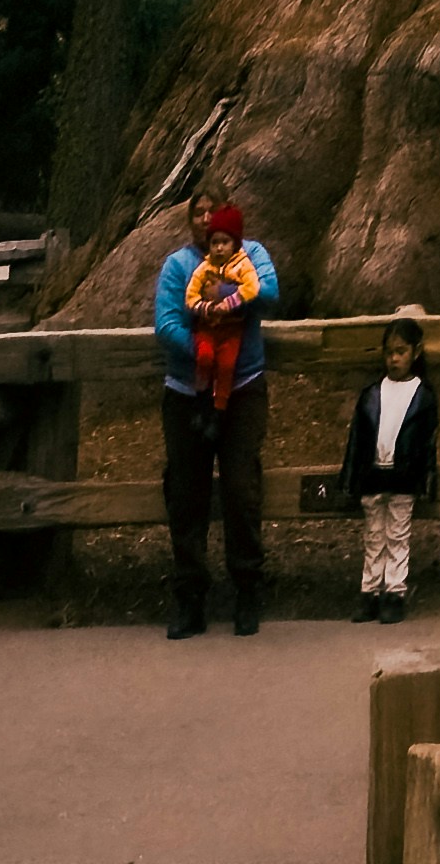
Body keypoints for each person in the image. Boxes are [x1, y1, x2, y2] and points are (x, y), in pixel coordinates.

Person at [152, 195, 278, 638]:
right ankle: (190, 596)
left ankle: (247, 589)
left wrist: (223, 298)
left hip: (243, 387)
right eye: (197, 213)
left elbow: (268, 291)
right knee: (186, 493)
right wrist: (203, 357)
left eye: (213, 212)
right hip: (187, 392)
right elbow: (167, 323)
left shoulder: (252, 254)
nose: (206, 221)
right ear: (189, 221)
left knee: (241, 488)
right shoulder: (177, 266)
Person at [338, 316, 439, 611]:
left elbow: (428, 442)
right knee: (373, 535)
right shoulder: (371, 394)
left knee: (397, 534)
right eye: (389, 352)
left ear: (415, 352)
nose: (394, 359)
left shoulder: (423, 396)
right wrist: (350, 476)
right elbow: (357, 437)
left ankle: (394, 591)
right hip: (373, 474)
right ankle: (369, 591)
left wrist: (428, 477)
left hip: (404, 476)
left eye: (401, 352)